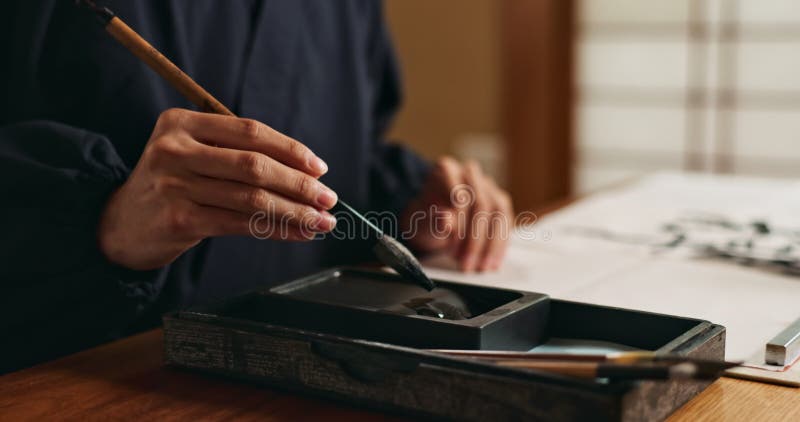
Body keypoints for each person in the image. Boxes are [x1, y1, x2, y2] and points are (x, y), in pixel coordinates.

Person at [0, 1, 513, 372]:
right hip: (87, 377)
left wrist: (410, 203)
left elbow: (340, 146)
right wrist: (106, 222)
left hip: (309, 374)